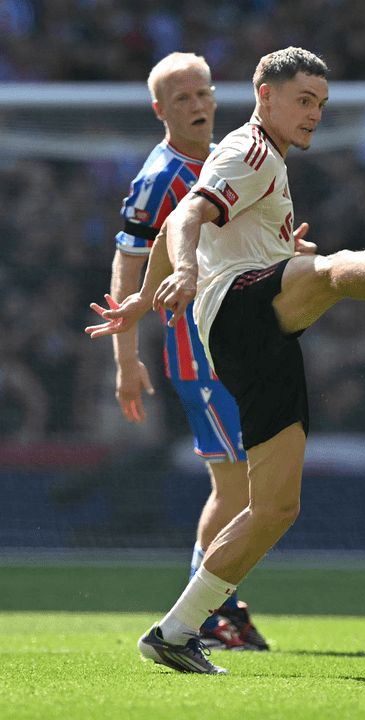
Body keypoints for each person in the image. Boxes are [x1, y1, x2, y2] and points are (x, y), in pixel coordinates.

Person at [87, 46, 365, 675]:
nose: (314, 115)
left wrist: (147, 299)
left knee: (275, 508)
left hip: (253, 334)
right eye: (303, 101)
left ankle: (175, 631)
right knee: (330, 272)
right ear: (264, 97)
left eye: (320, 104)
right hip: (234, 311)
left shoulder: (265, 162)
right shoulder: (248, 150)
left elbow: (183, 221)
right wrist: (193, 271)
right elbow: (187, 216)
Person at [109, 52, 270, 652]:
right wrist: (127, 360)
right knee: (236, 489)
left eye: (202, 93)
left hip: (245, 344)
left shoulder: (233, 157)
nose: (198, 105)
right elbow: (127, 271)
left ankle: (222, 607)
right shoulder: (158, 178)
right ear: (160, 110)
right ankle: (201, 615)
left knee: (255, 486)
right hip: (198, 356)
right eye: (182, 99)